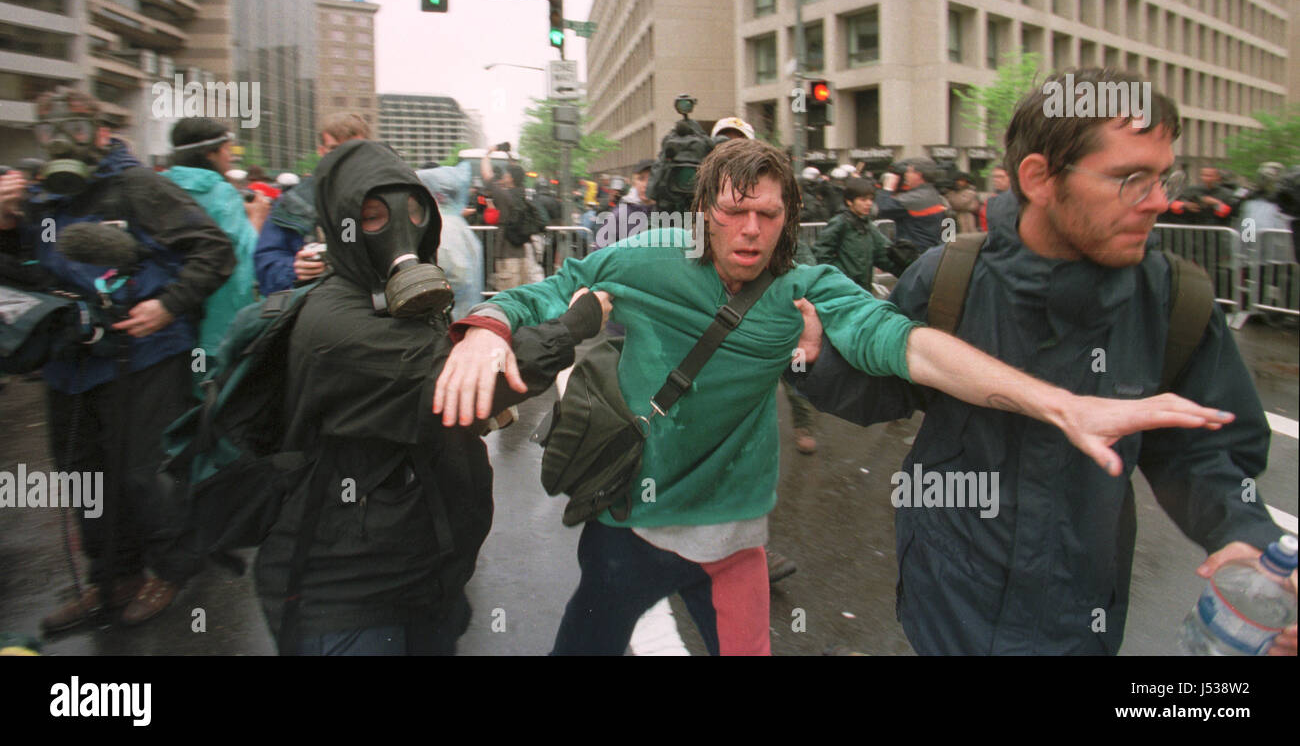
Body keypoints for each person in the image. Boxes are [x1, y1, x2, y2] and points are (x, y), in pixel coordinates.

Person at [433, 137, 1234, 656]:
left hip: (734, 539)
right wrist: (485, 330)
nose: (750, 230)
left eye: (768, 215)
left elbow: (909, 346)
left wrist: (1060, 404)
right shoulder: (646, 259)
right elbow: (551, 291)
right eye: (734, 212)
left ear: (789, 221)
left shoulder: (808, 289)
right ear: (703, 214)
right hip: (626, 523)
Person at [789, 68, 1292, 655]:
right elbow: (887, 390)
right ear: (1040, 178)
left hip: (1081, 618)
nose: (1161, 201)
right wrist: (814, 358)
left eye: (1163, 176)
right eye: (1131, 178)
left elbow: (1202, 452)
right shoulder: (951, 278)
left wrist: (1240, 533)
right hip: (948, 603)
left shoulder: (1175, 299)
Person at [253, 140, 610, 655]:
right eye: (372, 218)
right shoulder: (336, 321)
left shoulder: (384, 297)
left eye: (413, 213)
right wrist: (573, 324)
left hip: (422, 569)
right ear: (341, 225)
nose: (400, 233)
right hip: (350, 595)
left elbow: (424, 400)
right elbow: (459, 382)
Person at [0, 87, 235, 631]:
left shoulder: (137, 186)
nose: (63, 142)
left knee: (145, 474)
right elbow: (25, 278)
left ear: (101, 135)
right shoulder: (35, 200)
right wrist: (7, 227)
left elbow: (213, 248)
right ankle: (111, 577)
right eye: (50, 131)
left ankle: (171, 570)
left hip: (144, 356)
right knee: (84, 476)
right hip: (69, 363)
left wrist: (167, 304)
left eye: (76, 130)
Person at [161, 118, 264, 359]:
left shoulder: (158, 186)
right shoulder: (221, 194)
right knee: (210, 390)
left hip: (165, 323)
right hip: (215, 327)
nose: (230, 156)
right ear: (210, 153)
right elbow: (242, 264)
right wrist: (257, 219)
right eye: (227, 149)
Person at [254, 112, 370, 295]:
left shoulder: (383, 197)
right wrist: (294, 269)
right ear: (321, 151)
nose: (343, 158)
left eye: (353, 150)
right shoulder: (293, 202)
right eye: (335, 149)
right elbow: (266, 262)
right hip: (311, 302)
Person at [416, 163, 484, 321]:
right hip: (462, 311)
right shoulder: (455, 222)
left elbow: (457, 275)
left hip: (451, 316)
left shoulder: (443, 226)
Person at [812, 178, 900, 292]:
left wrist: (906, 264)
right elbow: (821, 254)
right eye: (863, 200)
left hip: (863, 289)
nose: (868, 204)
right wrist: (839, 277)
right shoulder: (840, 222)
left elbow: (882, 255)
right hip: (843, 290)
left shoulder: (867, 225)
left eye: (870, 199)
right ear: (849, 201)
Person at [480, 155, 535, 291]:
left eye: (506, 175)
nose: (503, 177)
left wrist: (488, 153)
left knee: (507, 297)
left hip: (506, 254)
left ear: (511, 178)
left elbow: (486, 175)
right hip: (521, 252)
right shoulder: (523, 194)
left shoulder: (504, 196)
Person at [873, 158, 950, 251]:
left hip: (916, 253)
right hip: (932, 252)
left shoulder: (916, 198)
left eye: (909, 171)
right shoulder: (935, 195)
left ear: (918, 175)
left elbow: (881, 209)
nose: (905, 175)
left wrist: (887, 188)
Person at [977, 164, 1011, 231]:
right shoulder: (991, 201)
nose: (996, 180)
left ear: (1011, 178)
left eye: (1000, 177)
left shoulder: (1020, 198)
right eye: (994, 177)